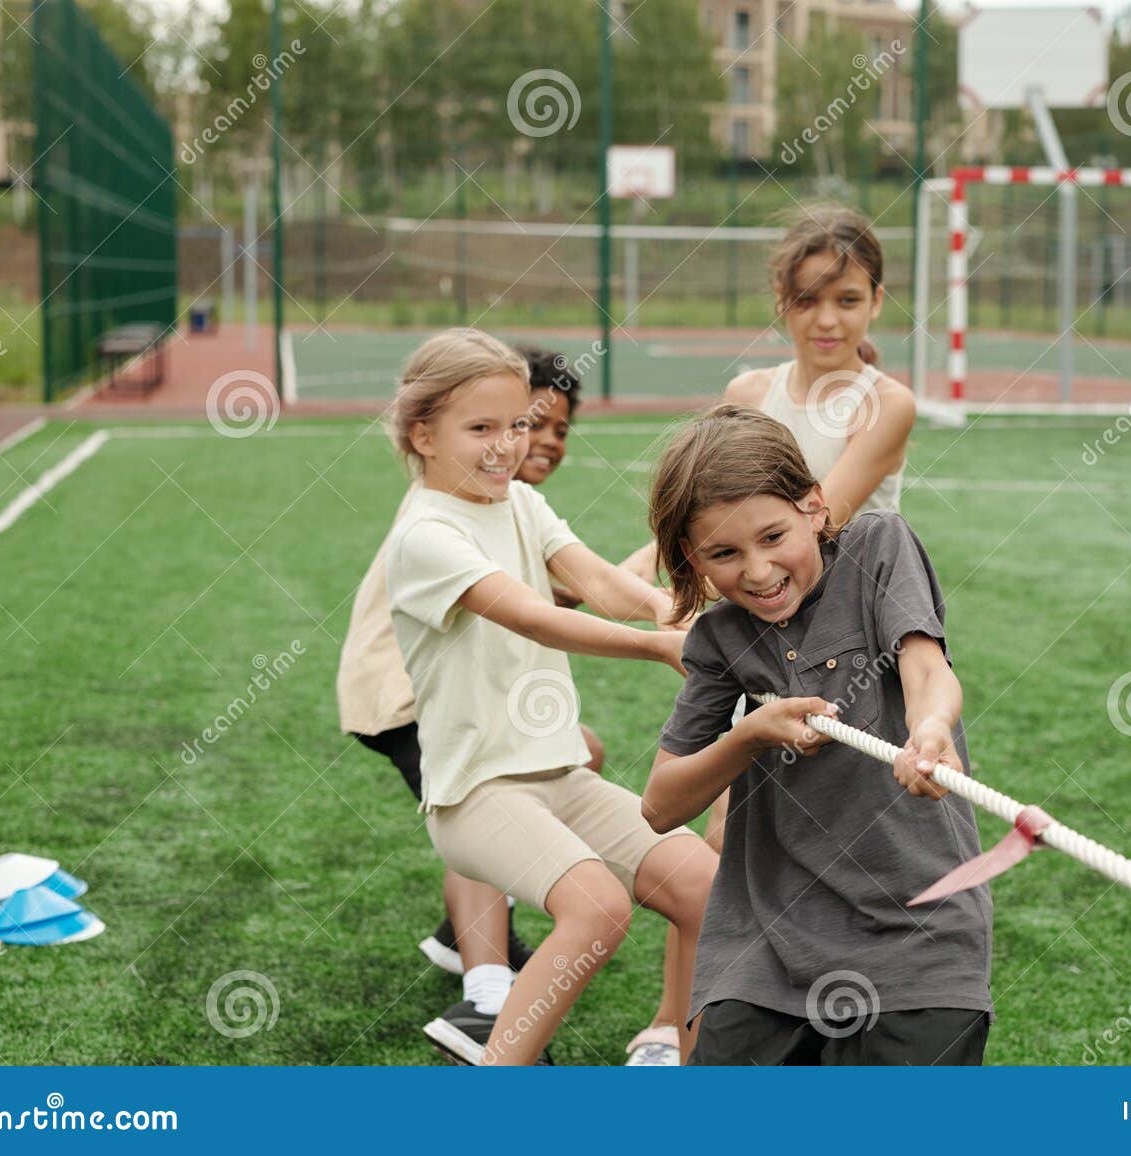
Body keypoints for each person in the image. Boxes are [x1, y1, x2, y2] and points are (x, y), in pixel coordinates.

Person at [337, 345, 688, 1065]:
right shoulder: (427, 535)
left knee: (711, 890)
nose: (507, 448)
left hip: (558, 773)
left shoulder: (521, 500)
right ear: (422, 435)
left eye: (518, 425)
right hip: (479, 789)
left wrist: (662, 607)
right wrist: (659, 648)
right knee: (598, 910)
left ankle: (674, 1043)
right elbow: (534, 615)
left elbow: (594, 580)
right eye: (481, 429)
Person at [642, 405, 992, 1065]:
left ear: (813, 506)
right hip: (767, 942)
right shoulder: (720, 642)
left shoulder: (878, 549)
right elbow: (661, 805)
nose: (756, 571)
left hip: (921, 932)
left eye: (773, 536)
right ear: (692, 556)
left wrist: (931, 726)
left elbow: (924, 665)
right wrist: (749, 737)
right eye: (724, 553)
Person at [623, 203, 916, 852]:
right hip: (761, 622)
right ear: (781, 300)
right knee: (729, 834)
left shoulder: (887, 404)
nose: (828, 318)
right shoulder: (750, 390)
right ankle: (712, 944)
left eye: (848, 298)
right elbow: (712, 500)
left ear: (876, 301)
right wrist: (649, 560)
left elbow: (819, 522)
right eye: (808, 299)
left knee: (818, 830)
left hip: (848, 633)